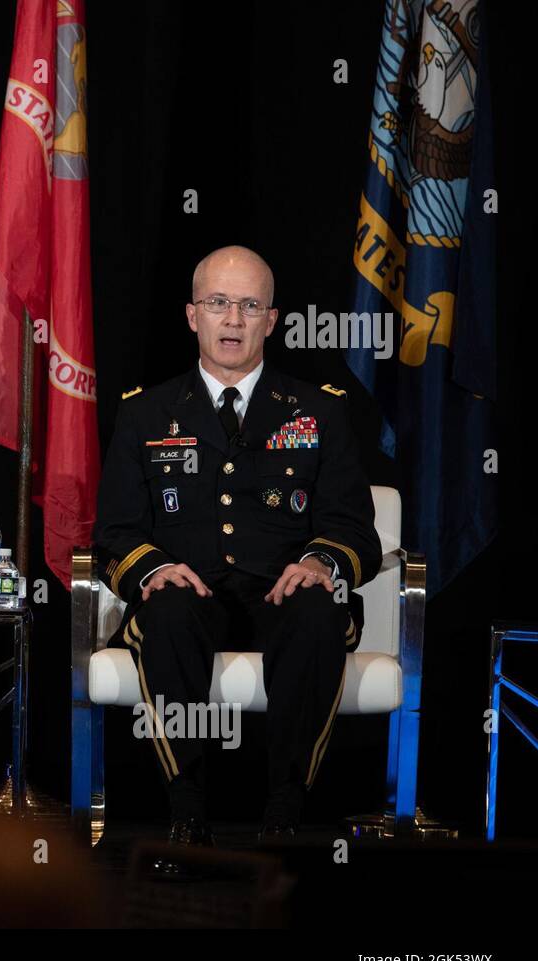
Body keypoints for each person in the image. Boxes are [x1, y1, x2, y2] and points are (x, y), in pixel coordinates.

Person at [93, 245, 381, 861]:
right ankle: (186, 812)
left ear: (271, 321)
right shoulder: (144, 411)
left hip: (282, 590)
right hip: (189, 592)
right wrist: (152, 570)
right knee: (165, 611)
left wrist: (320, 564)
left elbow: (355, 528)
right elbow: (114, 532)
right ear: (192, 315)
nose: (233, 319)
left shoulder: (320, 411)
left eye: (249, 305)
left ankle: (284, 813)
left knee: (316, 610)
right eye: (218, 303)